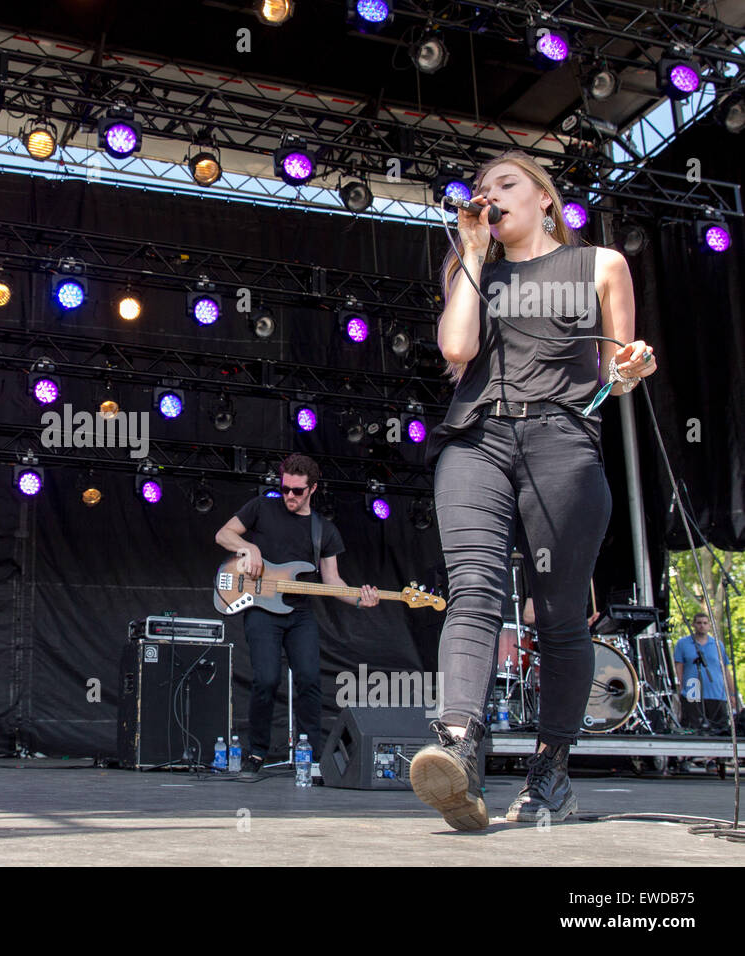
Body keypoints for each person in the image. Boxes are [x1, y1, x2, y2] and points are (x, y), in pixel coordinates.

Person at [407, 150, 658, 830]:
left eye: (507, 185)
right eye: (483, 189)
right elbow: (457, 349)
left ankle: (550, 774)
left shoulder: (600, 264)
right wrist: (471, 250)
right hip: (476, 439)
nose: (491, 195)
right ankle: (459, 747)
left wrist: (632, 367)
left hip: (562, 442)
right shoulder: (471, 264)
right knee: (474, 589)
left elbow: (616, 372)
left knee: (558, 616)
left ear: (544, 199)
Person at [214, 453, 379, 779]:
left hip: (300, 613)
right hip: (262, 609)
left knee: (309, 680)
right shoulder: (262, 507)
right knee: (266, 679)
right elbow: (223, 535)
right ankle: (257, 753)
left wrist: (360, 600)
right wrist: (249, 548)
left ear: (313, 489)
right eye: (286, 488)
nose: (289, 496)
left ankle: (313, 757)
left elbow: (332, 582)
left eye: (297, 491)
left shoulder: (324, 530)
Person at [674, 612, 738, 734]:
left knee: (720, 731)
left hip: (717, 693)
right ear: (693, 625)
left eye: (705, 623)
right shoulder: (683, 644)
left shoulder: (718, 644)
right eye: (699, 623)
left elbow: (725, 669)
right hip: (693, 693)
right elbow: (679, 667)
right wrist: (681, 688)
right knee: (693, 730)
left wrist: (732, 693)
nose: (702, 626)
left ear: (709, 625)